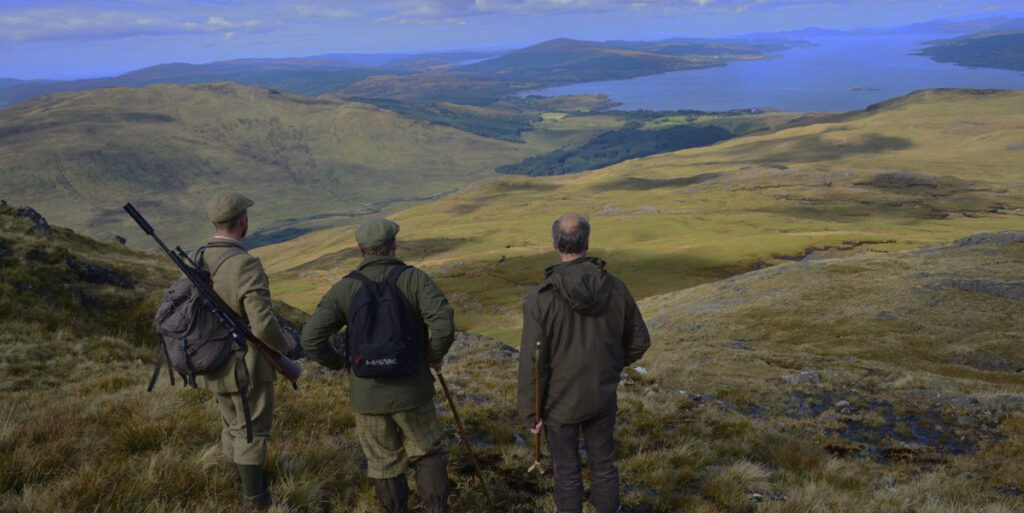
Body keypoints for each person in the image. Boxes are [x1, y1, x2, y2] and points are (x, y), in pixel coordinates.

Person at [301, 218, 456, 513]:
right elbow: (444, 325)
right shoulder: (414, 279)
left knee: (383, 462)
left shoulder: (345, 288)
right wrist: (432, 355)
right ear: (393, 245)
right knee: (426, 451)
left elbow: (310, 339)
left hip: (368, 396)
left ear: (360, 248)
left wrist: (341, 363)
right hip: (413, 390)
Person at [518, 214, 651, 513]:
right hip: (601, 396)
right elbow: (639, 341)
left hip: (559, 402)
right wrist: (611, 365)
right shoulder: (615, 288)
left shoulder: (540, 298)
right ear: (587, 243)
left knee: (566, 470)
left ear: (555, 244)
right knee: (603, 464)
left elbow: (532, 361)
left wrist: (530, 411)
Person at [196, 191, 296, 510]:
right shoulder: (245, 264)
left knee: (232, 425)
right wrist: (285, 349)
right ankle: (255, 499)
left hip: (211, 362)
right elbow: (263, 325)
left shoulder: (198, 258)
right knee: (252, 431)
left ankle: (236, 483)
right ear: (243, 219)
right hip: (245, 367)